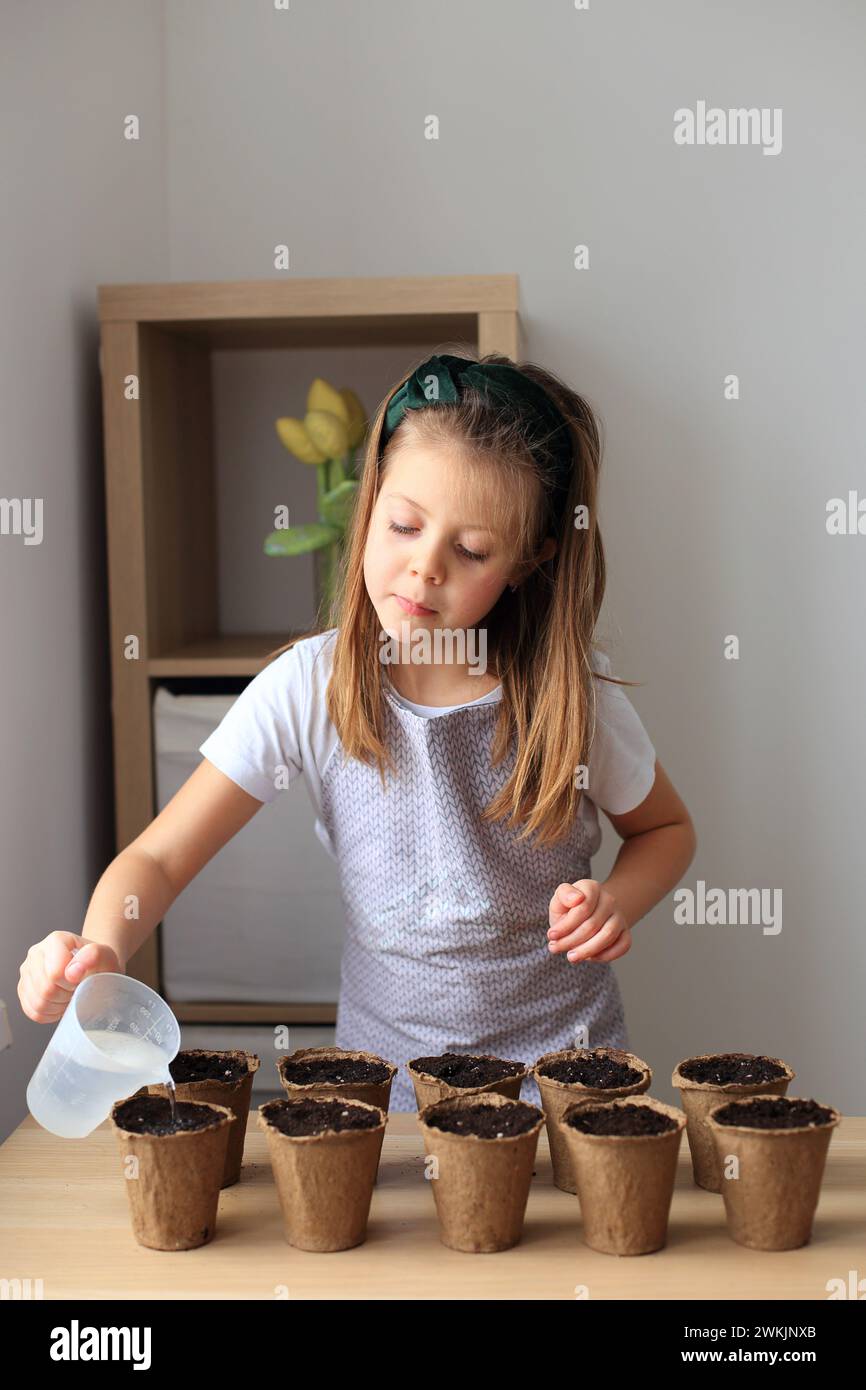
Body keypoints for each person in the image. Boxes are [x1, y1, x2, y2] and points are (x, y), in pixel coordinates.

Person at [18, 349, 696, 1111]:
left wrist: (618, 901)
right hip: (388, 1094)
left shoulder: (575, 697)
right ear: (370, 499)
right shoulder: (310, 686)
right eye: (404, 524)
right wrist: (100, 948)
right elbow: (157, 859)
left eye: (470, 550)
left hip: (563, 1085)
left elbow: (666, 829)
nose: (423, 568)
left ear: (531, 559)